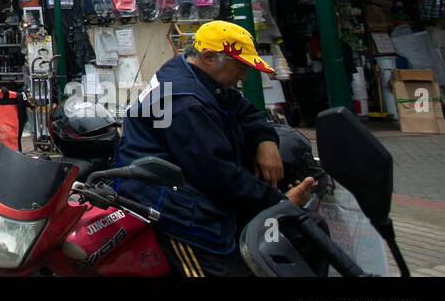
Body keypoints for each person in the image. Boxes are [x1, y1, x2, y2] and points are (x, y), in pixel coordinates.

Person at [115, 19, 317, 277]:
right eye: (239, 66)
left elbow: (243, 109)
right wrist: (280, 204)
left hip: (193, 194)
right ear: (209, 57)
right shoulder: (184, 101)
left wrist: (266, 141)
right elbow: (218, 176)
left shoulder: (190, 72)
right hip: (173, 208)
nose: (244, 75)